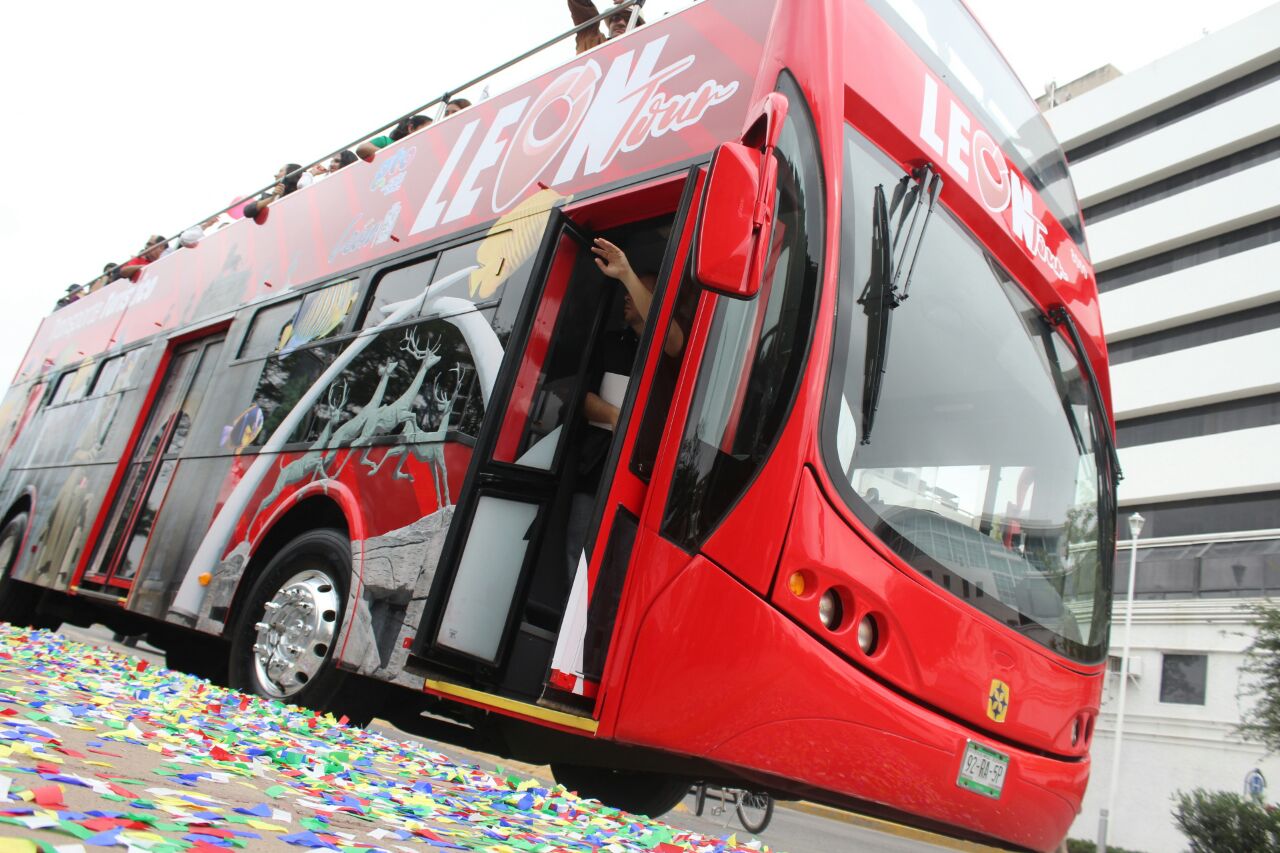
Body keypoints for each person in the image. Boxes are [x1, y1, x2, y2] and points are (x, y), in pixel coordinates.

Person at [567, 0, 644, 54]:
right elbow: (585, 14)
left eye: (628, 19)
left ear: (639, 27)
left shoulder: (646, 53)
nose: (621, 23)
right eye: (616, 18)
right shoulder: (593, 44)